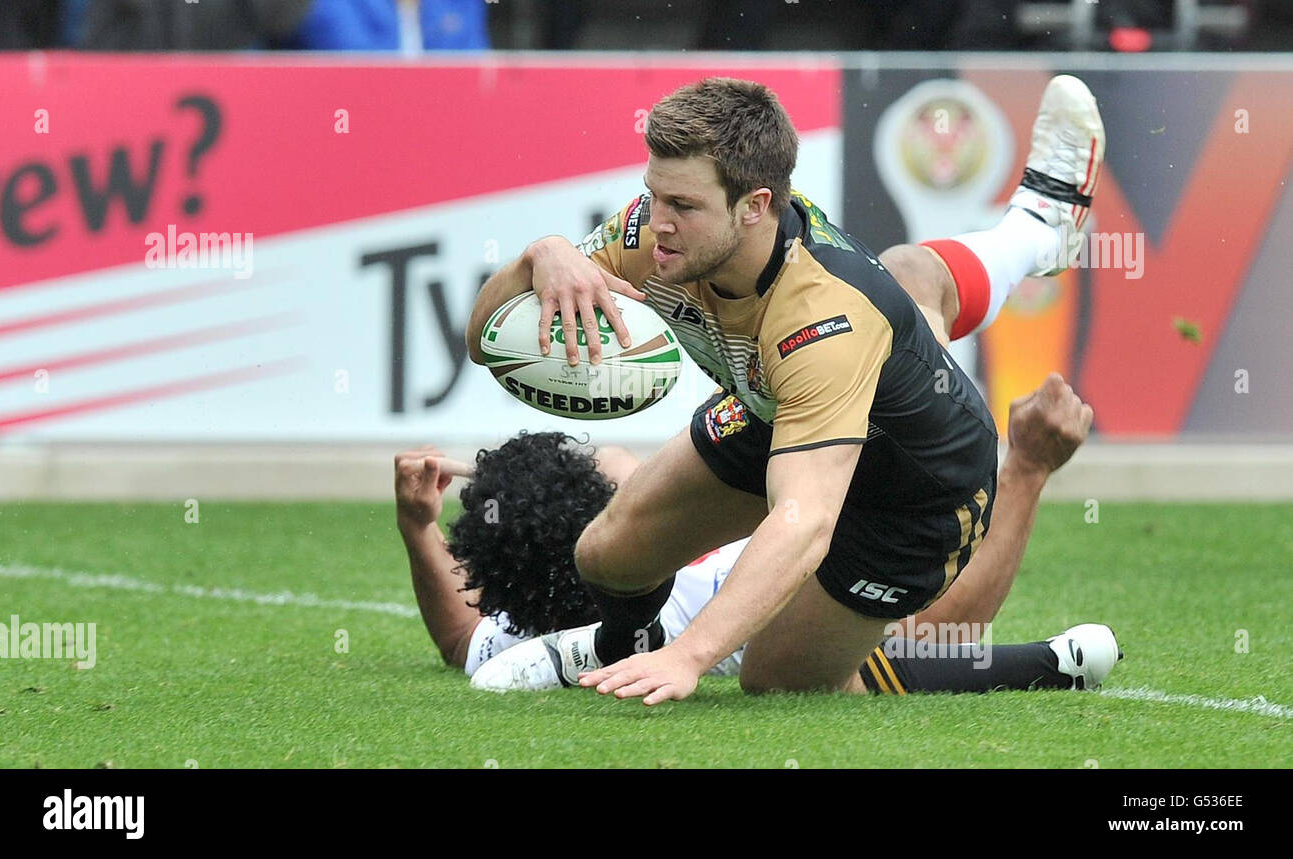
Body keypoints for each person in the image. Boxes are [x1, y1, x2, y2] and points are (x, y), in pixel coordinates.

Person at [464, 75, 1104, 704]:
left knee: (779, 681)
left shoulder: (822, 319)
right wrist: (539, 256)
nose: (655, 222)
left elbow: (803, 520)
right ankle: (624, 647)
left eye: (682, 206)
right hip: (785, 411)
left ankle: (1051, 662)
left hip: (915, 488)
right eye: (652, 195)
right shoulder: (652, 236)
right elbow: (482, 342)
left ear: (754, 206)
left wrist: (689, 658)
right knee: (607, 556)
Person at [395, 375, 1122, 696]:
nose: (608, 459)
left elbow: (462, 639)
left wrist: (419, 529)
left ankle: (1034, 222)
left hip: (866, 442)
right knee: (818, 675)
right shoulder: (707, 590)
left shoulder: (523, 626)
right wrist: (1027, 468)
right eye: (592, 468)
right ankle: (1033, 222)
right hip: (889, 470)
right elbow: (945, 625)